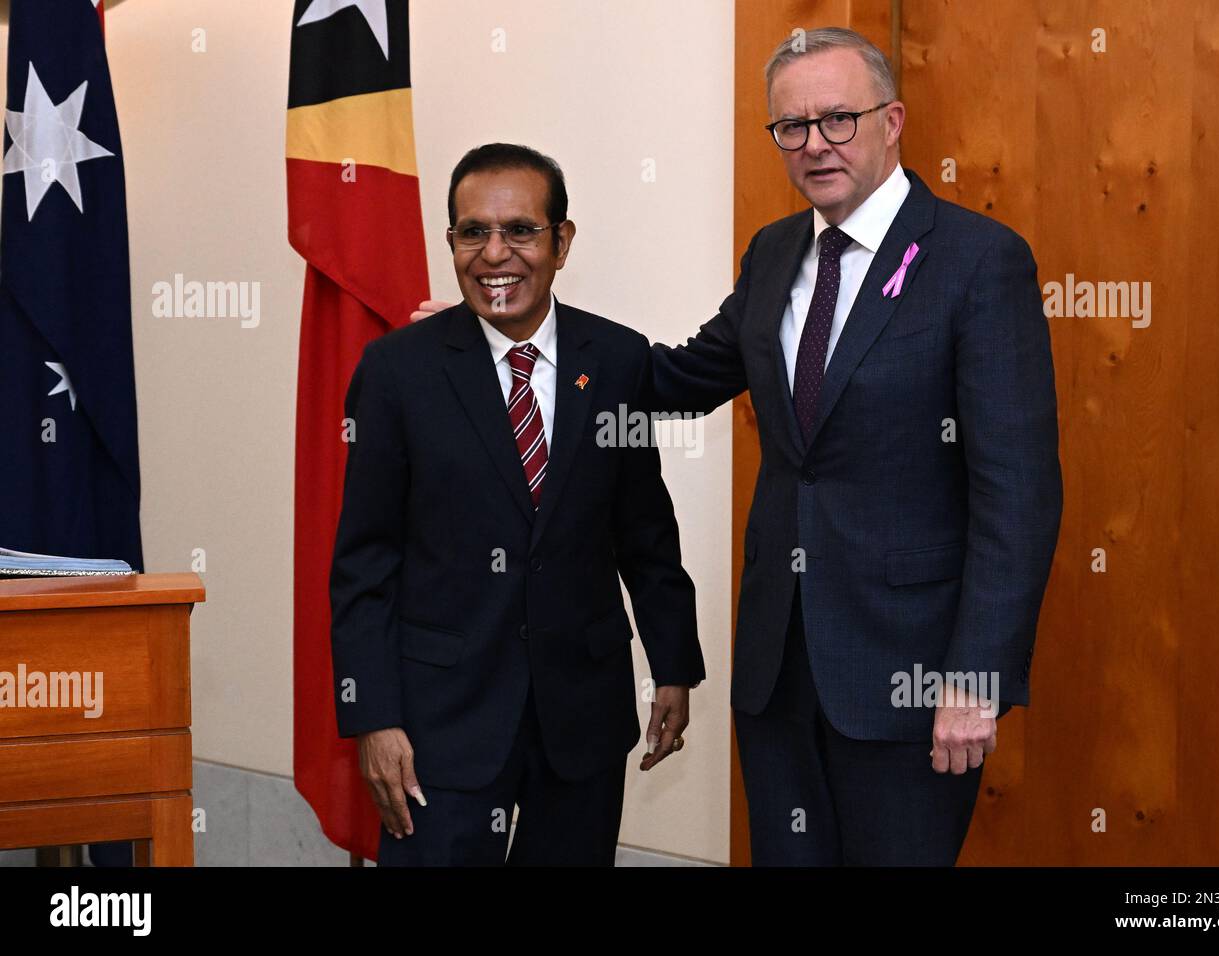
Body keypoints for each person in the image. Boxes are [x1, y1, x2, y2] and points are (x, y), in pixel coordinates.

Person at [413, 27, 1062, 866]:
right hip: (779, 672)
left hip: (911, 676)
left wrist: (977, 676)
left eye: (837, 118)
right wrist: (509, 336)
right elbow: (676, 378)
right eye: (791, 127)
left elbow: (1019, 493)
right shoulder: (777, 252)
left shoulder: (978, 262)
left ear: (892, 119)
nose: (814, 144)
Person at [333, 143, 704, 866]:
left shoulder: (620, 360)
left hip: (582, 720)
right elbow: (363, 566)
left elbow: (646, 536)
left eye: (520, 231)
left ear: (561, 242)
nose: (494, 253)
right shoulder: (396, 372)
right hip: (439, 730)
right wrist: (373, 718)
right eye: (473, 232)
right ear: (451, 243)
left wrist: (675, 666)